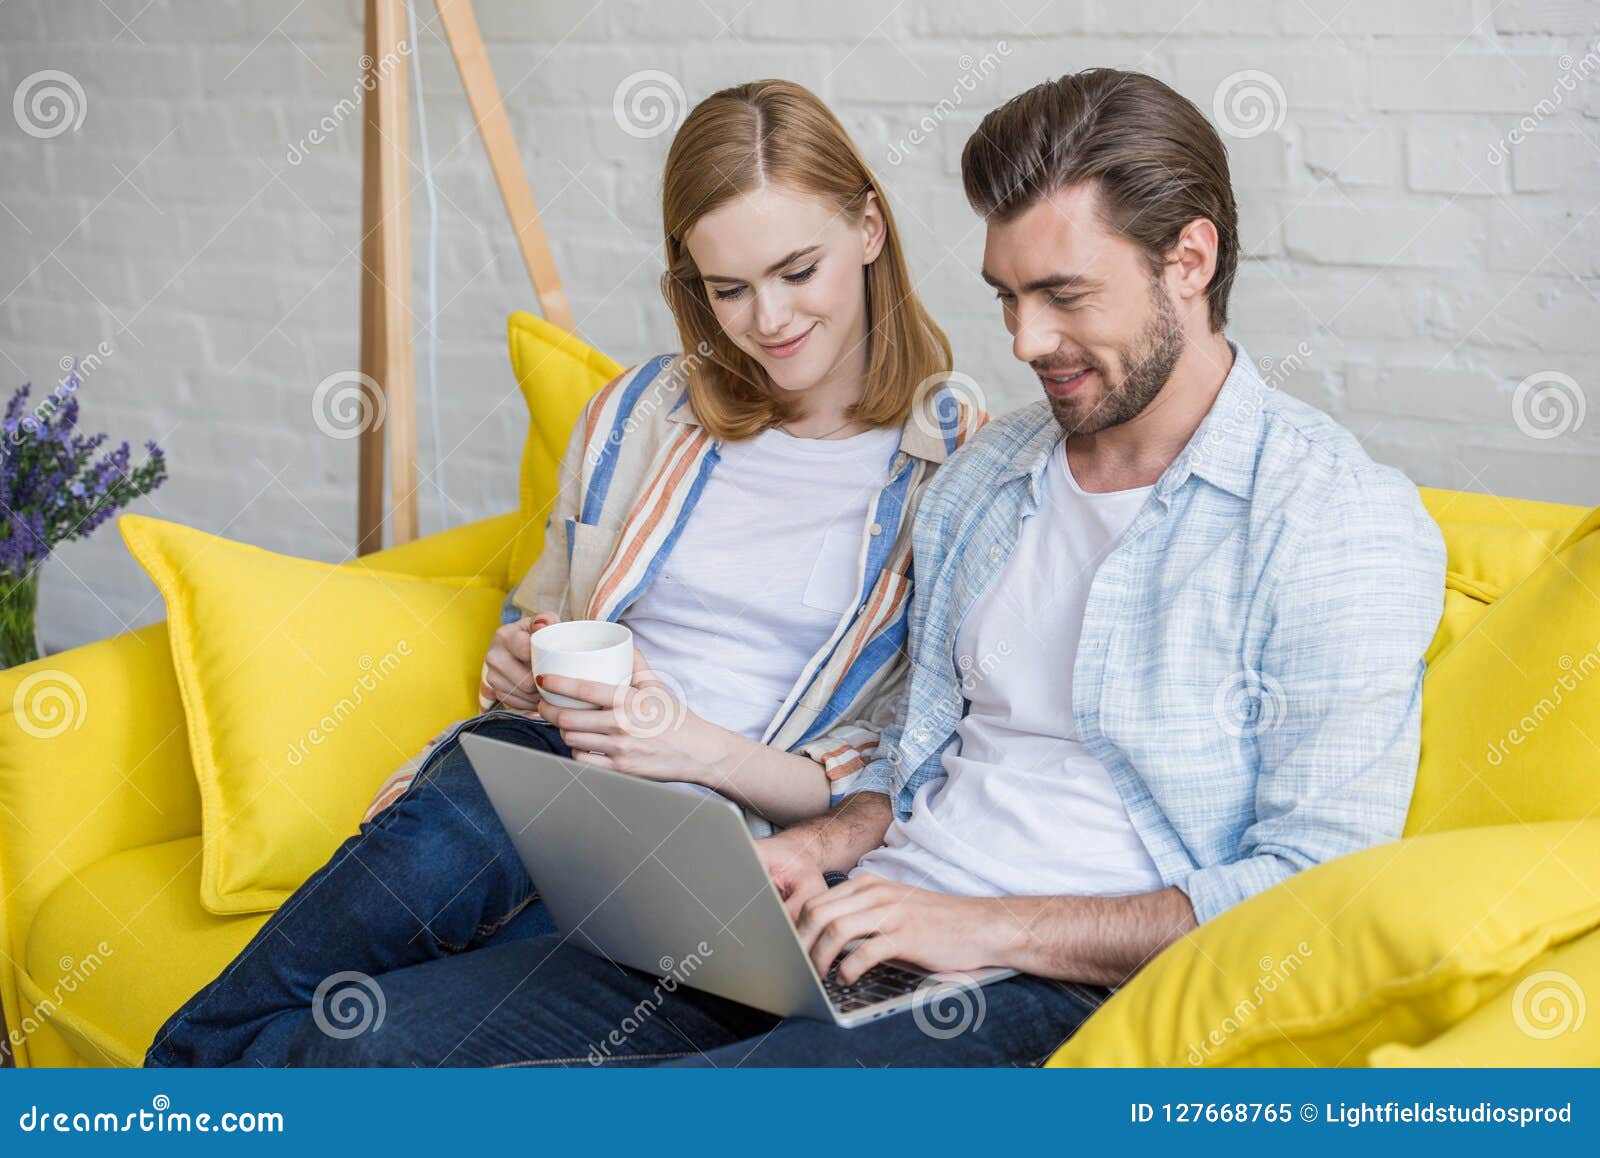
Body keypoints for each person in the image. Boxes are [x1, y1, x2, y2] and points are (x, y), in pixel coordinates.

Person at [274, 68, 1447, 1068]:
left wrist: (984, 926)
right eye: (1006, 297)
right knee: (354, 1052)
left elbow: (1314, 881)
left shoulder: (1328, 519)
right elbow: (906, 759)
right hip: (849, 920)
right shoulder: (991, 477)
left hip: (1034, 987)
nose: (1026, 341)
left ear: (1188, 260)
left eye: (1063, 296)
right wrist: (800, 856)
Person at [144, 78, 984, 1068]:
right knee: (462, 821)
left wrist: (691, 748)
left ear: (870, 230)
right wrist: (521, 657)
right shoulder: (637, 415)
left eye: (798, 270)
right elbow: (546, 617)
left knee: (358, 1048)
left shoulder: (964, 471)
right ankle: (181, 1077)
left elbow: (904, 765)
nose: (769, 319)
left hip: (725, 855)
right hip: (552, 794)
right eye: (728, 289)